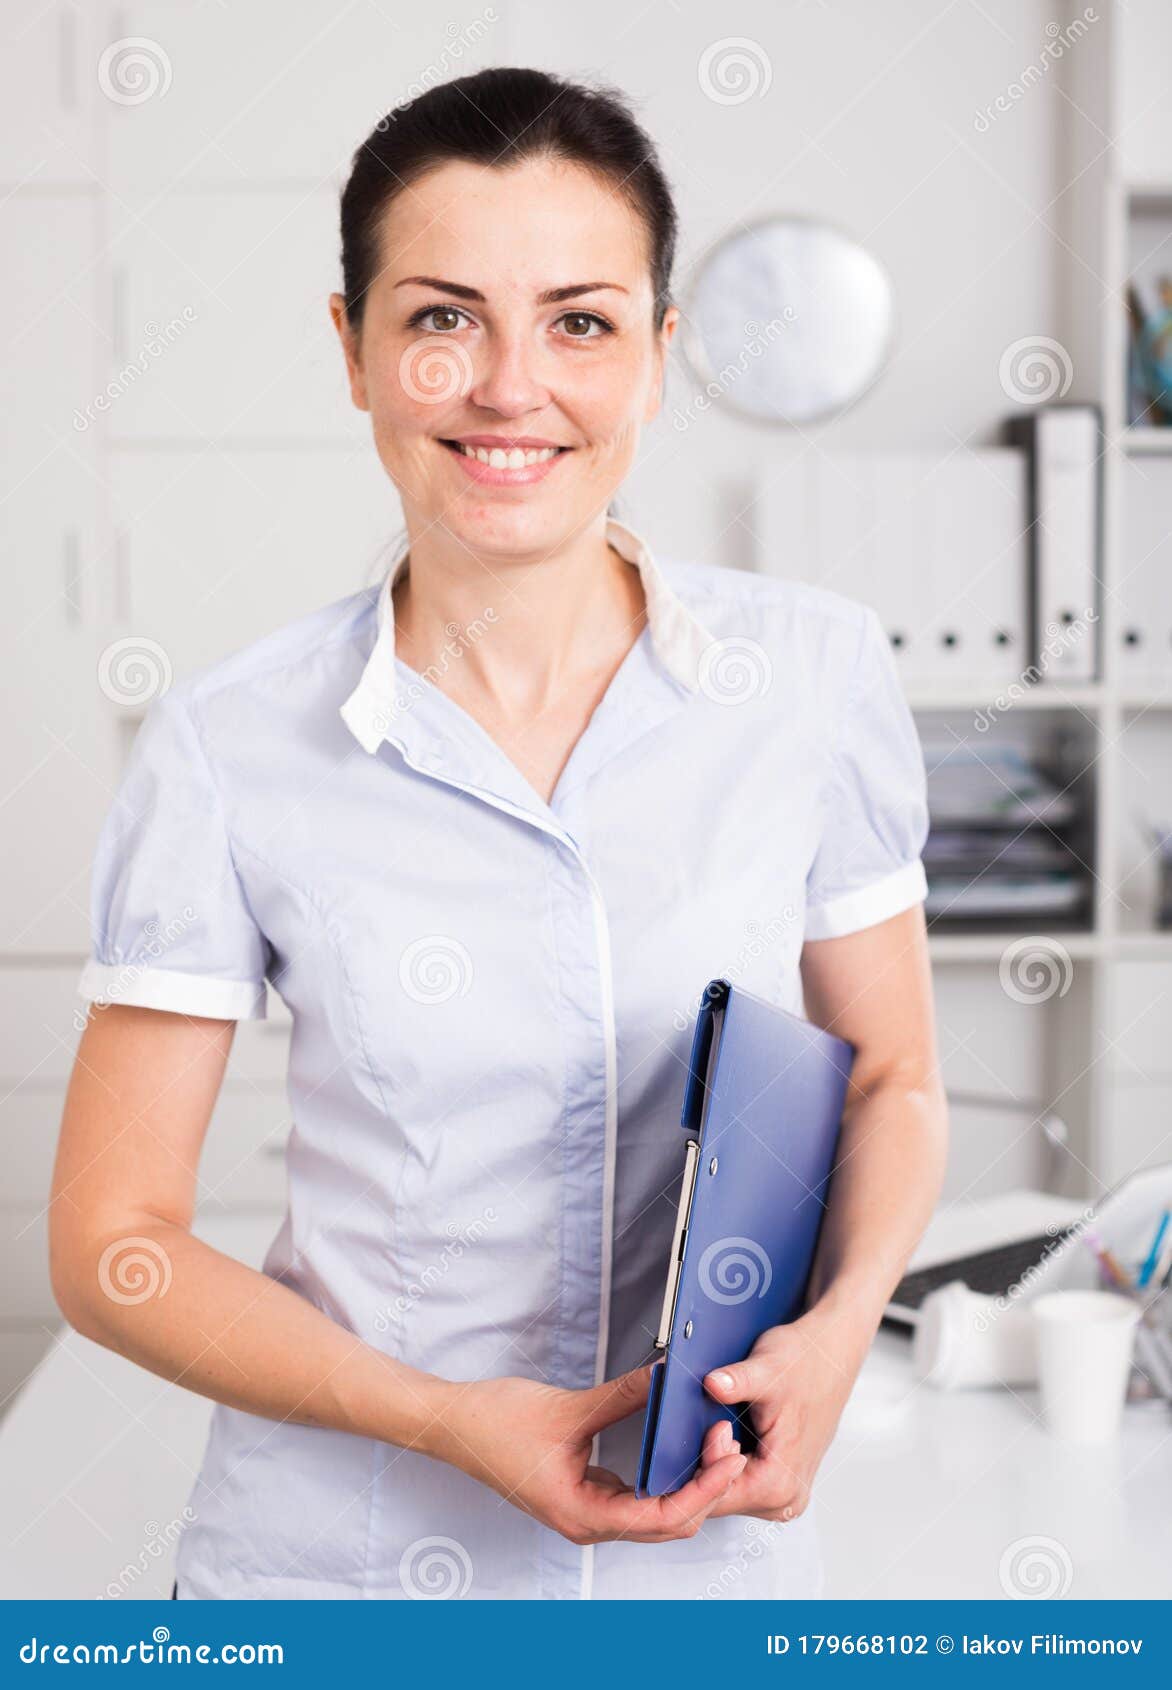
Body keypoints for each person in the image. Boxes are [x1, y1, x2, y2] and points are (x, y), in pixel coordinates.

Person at [50, 66, 947, 1600]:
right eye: (442, 318)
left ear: (661, 358)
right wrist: (444, 1418)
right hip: (339, 1568)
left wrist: (846, 1318)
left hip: (701, 1567)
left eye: (582, 321)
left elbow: (897, 1079)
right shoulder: (227, 743)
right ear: (353, 350)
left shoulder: (813, 677)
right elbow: (110, 1241)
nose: (510, 385)